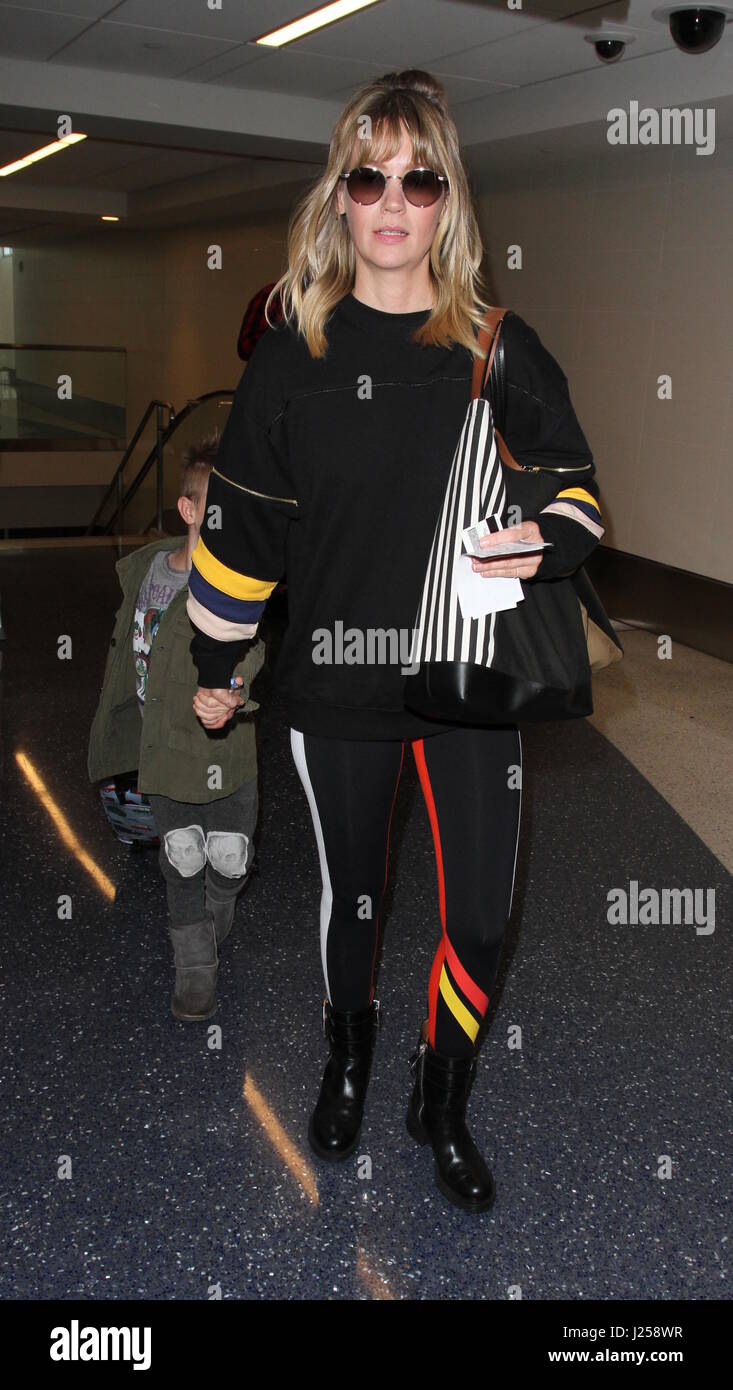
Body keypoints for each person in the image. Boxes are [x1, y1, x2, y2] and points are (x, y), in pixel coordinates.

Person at [185, 71, 605, 1212]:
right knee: (354, 898)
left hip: (470, 679)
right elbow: (241, 534)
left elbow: (576, 490)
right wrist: (215, 667)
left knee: (478, 913)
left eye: (417, 178)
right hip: (334, 688)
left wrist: (542, 537)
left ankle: (443, 1091)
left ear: (445, 202)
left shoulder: (491, 346)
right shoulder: (290, 356)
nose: (391, 198)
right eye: (367, 174)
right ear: (336, 195)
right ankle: (351, 1050)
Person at [87, 435, 265, 1022]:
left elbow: (255, 652)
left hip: (227, 749)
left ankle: (220, 906)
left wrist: (233, 694)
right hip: (164, 752)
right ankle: (195, 969)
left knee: (231, 857)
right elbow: (123, 657)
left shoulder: (244, 581)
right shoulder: (145, 574)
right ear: (189, 510)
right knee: (184, 855)